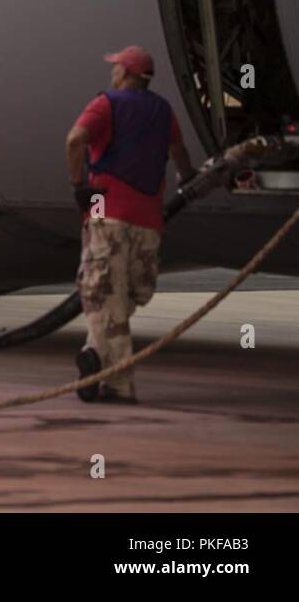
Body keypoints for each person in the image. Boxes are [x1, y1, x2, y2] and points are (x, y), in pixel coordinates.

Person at [65, 46, 195, 403]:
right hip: (149, 218)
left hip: (105, 209)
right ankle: (94, 353)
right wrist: (190, 182)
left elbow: (75, 140)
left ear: (127, 73)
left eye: (116, 67)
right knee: (128, 295)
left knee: (102, 295)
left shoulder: (106, 103)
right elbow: (180, 153)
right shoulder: (163, 110)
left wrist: (80, 188)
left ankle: (119, 383)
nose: (112, 72)